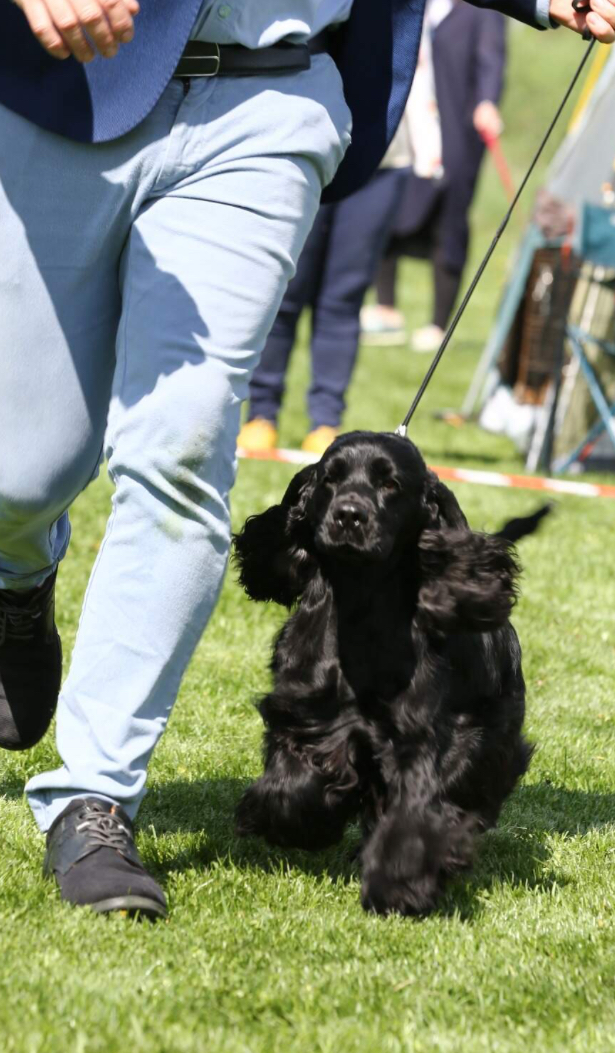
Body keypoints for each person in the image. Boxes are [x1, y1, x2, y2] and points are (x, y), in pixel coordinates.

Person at [1, 0, 613, 922]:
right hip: (74, 77)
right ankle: (17, 577)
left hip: (272, 92)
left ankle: (94, 797)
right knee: (22, 469)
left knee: (182, 449)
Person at [239, 0, 505, 457]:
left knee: (344, 296)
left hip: (385, 162)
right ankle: (262, 414)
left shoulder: (426, 15)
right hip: (308, 147)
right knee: (287, 290)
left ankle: (326, 420)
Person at [362, 2, 507, 354]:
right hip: (406, 129)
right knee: (386, 204)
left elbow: (492, 58)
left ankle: (438, 324)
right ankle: (386, 309)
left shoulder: (481, 9)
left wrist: (488, 102)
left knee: (450, 223)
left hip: (455, 132)